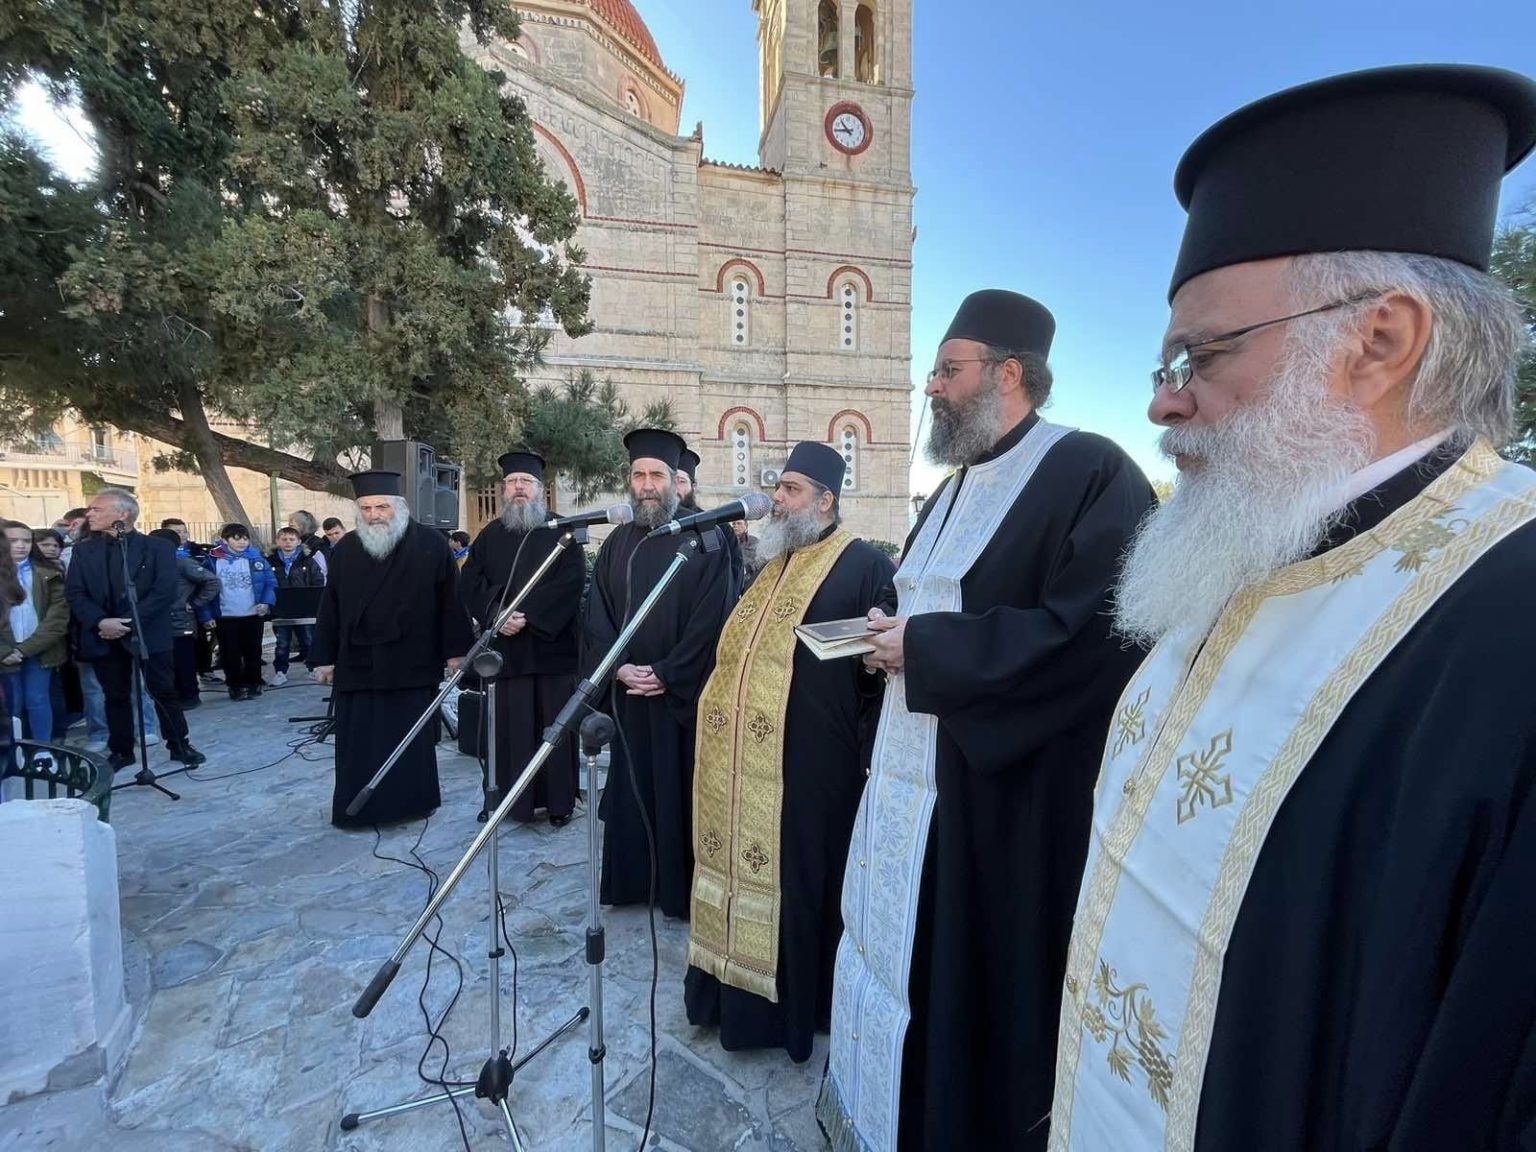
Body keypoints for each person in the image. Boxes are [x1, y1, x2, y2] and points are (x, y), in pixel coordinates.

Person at [1046, 65, 1536, 1152]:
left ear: (1381, 341)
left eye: (1203, 354)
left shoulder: (1513, 609)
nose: (1162, 400)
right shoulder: (1244, 546)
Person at [821, 290, 1156, 1152]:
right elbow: (924, 608)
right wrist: (886, 639)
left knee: (975, 982)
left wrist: (927, 649)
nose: (930, 386)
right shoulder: (949, 488)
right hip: (910, 782)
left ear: (1010, 375)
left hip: (1000, 799)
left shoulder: (1090, 469)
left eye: (948, 369)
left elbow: (1094, 635)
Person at [685, 442, 897, 1062]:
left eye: (791, 489)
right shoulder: (771, 562)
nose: (777, 499)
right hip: (741, 763)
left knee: (800, 882)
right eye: (778, 487)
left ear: (826, 500)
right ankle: (725, 997)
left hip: (812, 766)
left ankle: (794, 1012)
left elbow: (879, 670)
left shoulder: (864, 565)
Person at [583, 429, 733, 917]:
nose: (647, 485)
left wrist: (669, 672)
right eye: (638, 475)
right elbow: (599, 614)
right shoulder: (616, 543)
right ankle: (632, 884)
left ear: (674, 481)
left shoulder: (706, 537)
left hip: (679, 699)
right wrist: (618, 666)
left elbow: (715, 619)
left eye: (657, 476)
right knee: (631, 787)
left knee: (678, 790)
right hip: (629, 693)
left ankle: (677, 890)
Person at [311, 472, 474, 828]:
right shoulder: (347, 548)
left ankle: (412, 804)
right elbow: (330, 606)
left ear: (399, 507)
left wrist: (456, 651)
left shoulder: (431, 545)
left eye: (382, 507)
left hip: (411, 660)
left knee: (409, 739)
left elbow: (451, 603)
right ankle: (359, 809)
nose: (374, 515)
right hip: (358, 662)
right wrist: (324, 657)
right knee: (359, 740)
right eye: (367, 508)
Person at [459, 451, 585, 824]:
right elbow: (470, 581)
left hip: (550, 650)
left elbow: (571, 583)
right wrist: (497, 615)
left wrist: (527, 617)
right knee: (507, 730)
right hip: (506, 653)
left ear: (539, 490)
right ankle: (508, 803)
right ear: (503, 489)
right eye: (512, 482)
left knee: (553, 729)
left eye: (525, 482)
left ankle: (559, 803)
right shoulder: (489, 535)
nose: (518, 488)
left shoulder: (563, 531)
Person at [64, 489, 205, 772]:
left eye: (96, 509)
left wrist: (126, 622)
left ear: (122, 514)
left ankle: (179, 745)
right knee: (114, 695)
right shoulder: (84, 550)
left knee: (164, 691)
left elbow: (164, 592)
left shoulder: (158, 548)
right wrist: (101, 622)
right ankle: (121, 750)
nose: (89, 513)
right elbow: (75, 592)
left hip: (148, 631)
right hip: (103, 633)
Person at [1, 520, 70, 742]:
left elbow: (57, 617)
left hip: (38, 649)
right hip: (5, 652)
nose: (21, 546)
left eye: (27, 540)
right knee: (11, 704)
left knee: (38, 700)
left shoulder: (49, 573)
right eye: (13, 540)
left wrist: (25, 650)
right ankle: (13, 752)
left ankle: (43, 749)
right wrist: (5, 651)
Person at [200, 525, 276, 701]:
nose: (242, 542)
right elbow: (203, 589)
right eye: (236, 539)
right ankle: (235, 685)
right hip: (226, 616)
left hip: (252, 614)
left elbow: (270, 582)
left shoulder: (256, 559)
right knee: (230, 653)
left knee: (253, 651)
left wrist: (266, 602)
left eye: (245, 538)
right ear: (225, 540)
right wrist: (206, 615)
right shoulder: (212, 561)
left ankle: (254, 682)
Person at [147, 529, 220, 709]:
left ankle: (189, 696)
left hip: (180, 621)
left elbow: (212, 582)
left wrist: (195, 603)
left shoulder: (182, 563)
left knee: (183, 661)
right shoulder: (148, 564)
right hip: (157, 622)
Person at [679, 446, 744, 599]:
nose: (675, 488)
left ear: (693, 486)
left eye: (681, 481)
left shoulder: (718, 526)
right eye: (670, 481)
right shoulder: (654, 528)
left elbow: (735, 573)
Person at [267, 526, 325, 685]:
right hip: (281, 607)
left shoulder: (307, 560)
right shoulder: (270, 561)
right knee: (282, 642)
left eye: (291, 539)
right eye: (284, 539)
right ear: (278, 541)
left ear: (299, 541)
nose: (288, 542)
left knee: (308, 639)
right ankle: (280, 671)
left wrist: (314, 601)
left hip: (304, 607)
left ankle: (313, 668)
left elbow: (318, 580)